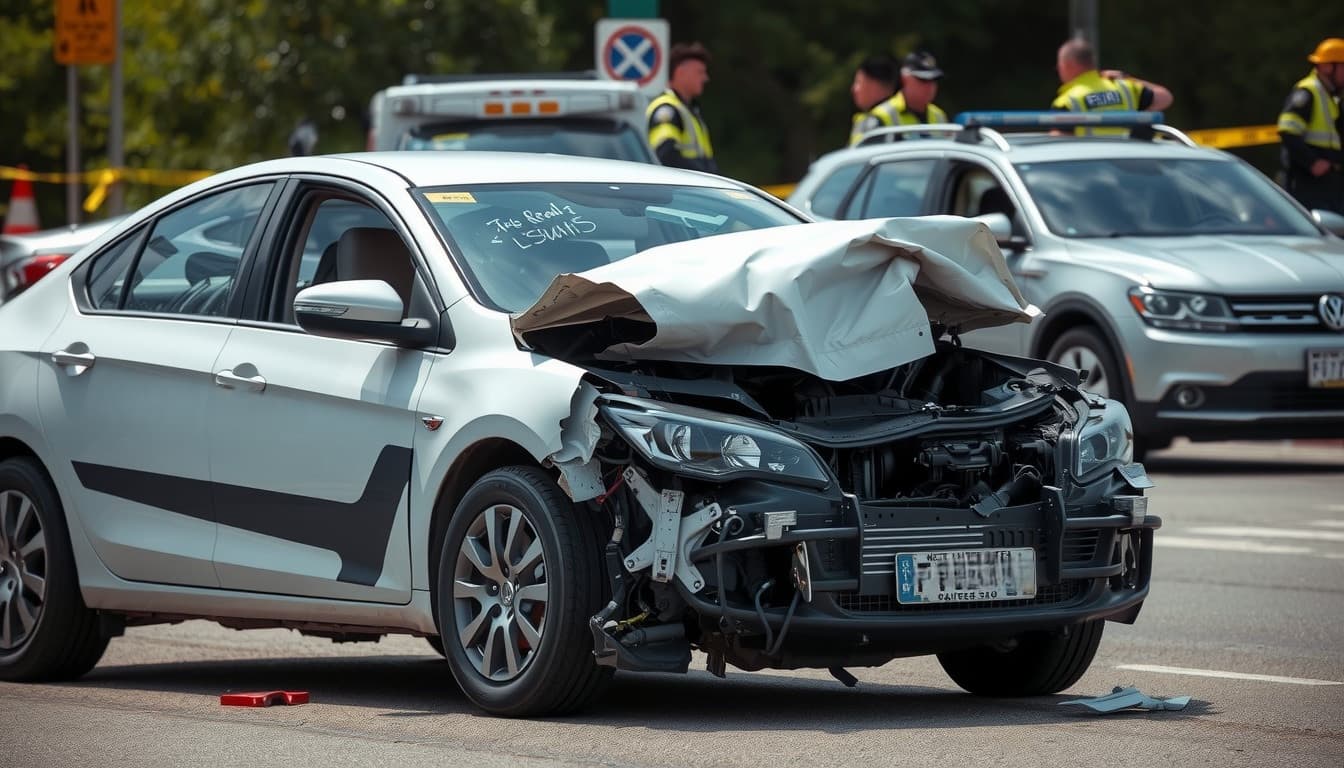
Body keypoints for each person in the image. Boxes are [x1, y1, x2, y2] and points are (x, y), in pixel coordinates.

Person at [1277, 38, 1344, 214]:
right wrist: (1312, 162)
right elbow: (1287, 131)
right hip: (1307, 185)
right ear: (1327, 67)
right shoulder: (1307, 92)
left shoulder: (1331, 97)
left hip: (1328, 186)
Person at [1052, 38, 1172, 135]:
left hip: (1089, 163)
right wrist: (1126, 78)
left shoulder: (1067, 101)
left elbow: (1058, 145)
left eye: (1059, 65)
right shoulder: (1124, 87)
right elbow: (1166, 97)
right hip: (1129, 160)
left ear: (1067, 65)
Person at [646, 42, 718, 173]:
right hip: (681, 190)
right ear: (680, 72)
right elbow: (665, 154)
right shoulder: (667, 109)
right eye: (700, 72)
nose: (705, 78)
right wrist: (703, 176)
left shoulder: (687, 110)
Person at [852, 51, 949, 146]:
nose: (930, 86)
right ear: (904, 78)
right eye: (923, 80)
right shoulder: (881, 116)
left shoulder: (939, 116)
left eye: (934, 80)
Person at [847, 54, 898, 146]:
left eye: (858, 82)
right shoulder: (898, 114)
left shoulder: (875, 122)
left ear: (874, 86)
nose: (854, 89)